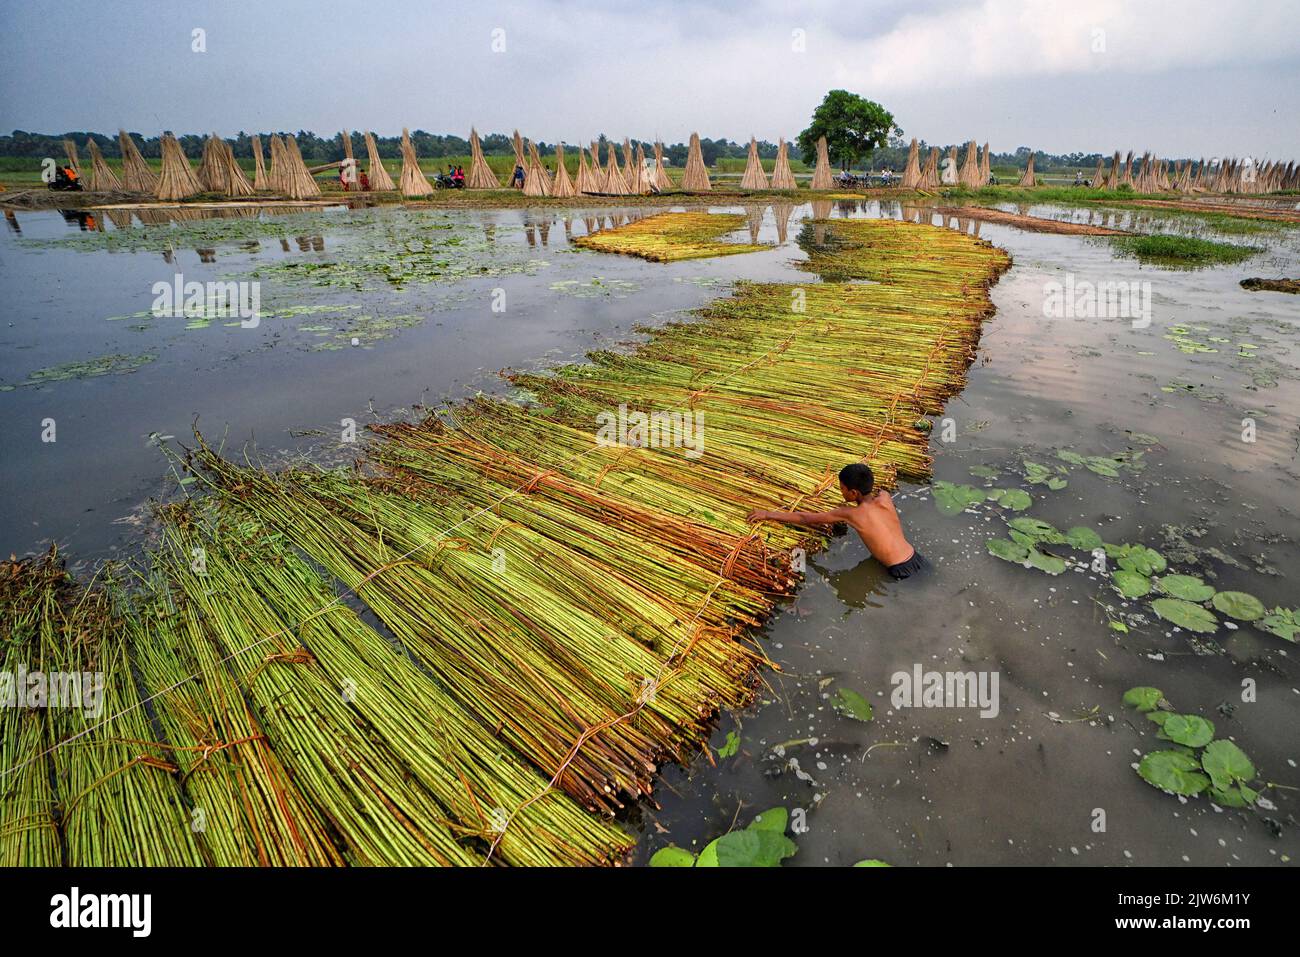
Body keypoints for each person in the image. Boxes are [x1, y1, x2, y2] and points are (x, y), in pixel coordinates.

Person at [747, 463, 929, 580]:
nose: (841, 493)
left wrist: (767, 514)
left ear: (853, 493)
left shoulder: (851, 514)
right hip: (916, 557)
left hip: (898, 570)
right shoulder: (885, 498)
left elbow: (805, 518)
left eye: (842, 488)